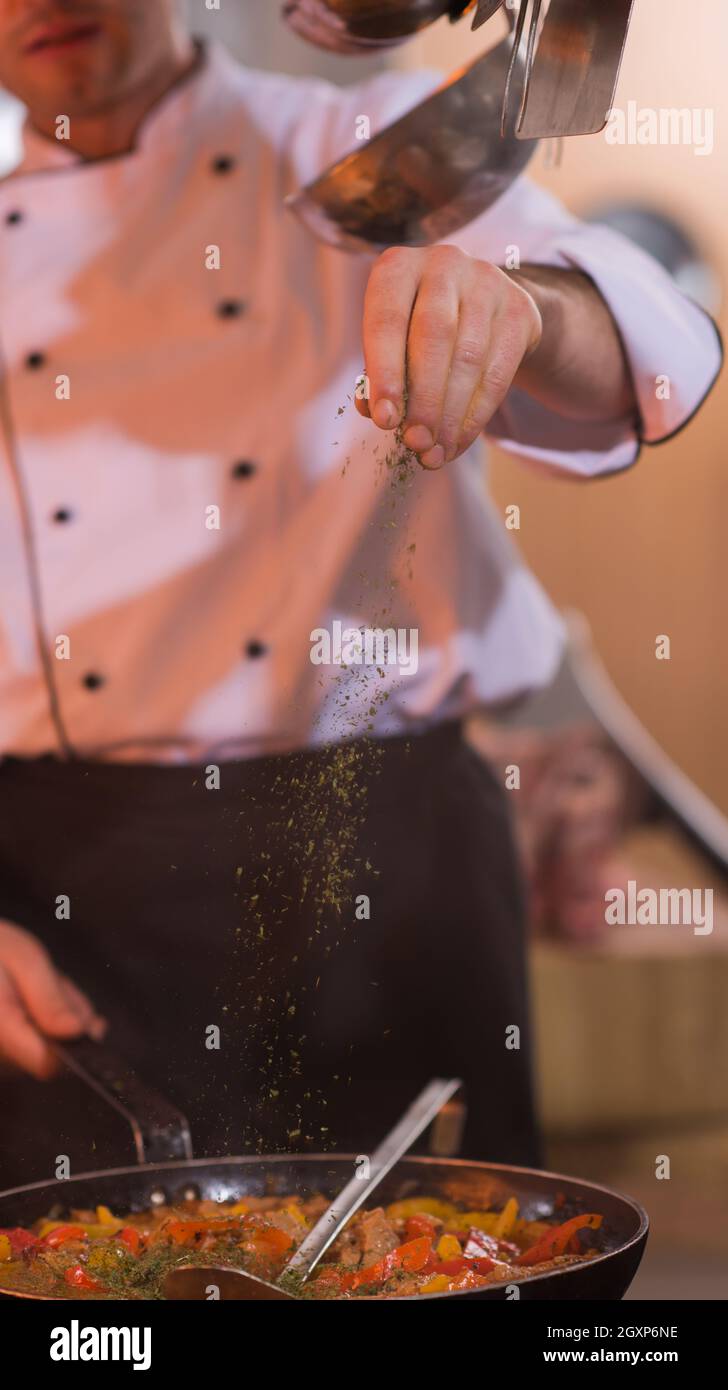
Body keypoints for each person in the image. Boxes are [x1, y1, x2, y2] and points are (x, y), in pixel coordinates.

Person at [0, 0, 721, 1181]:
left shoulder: (365, 149)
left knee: (440, 1253)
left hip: (382, 860)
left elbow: (636, 345)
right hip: (66, 894)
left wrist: (524, 313)